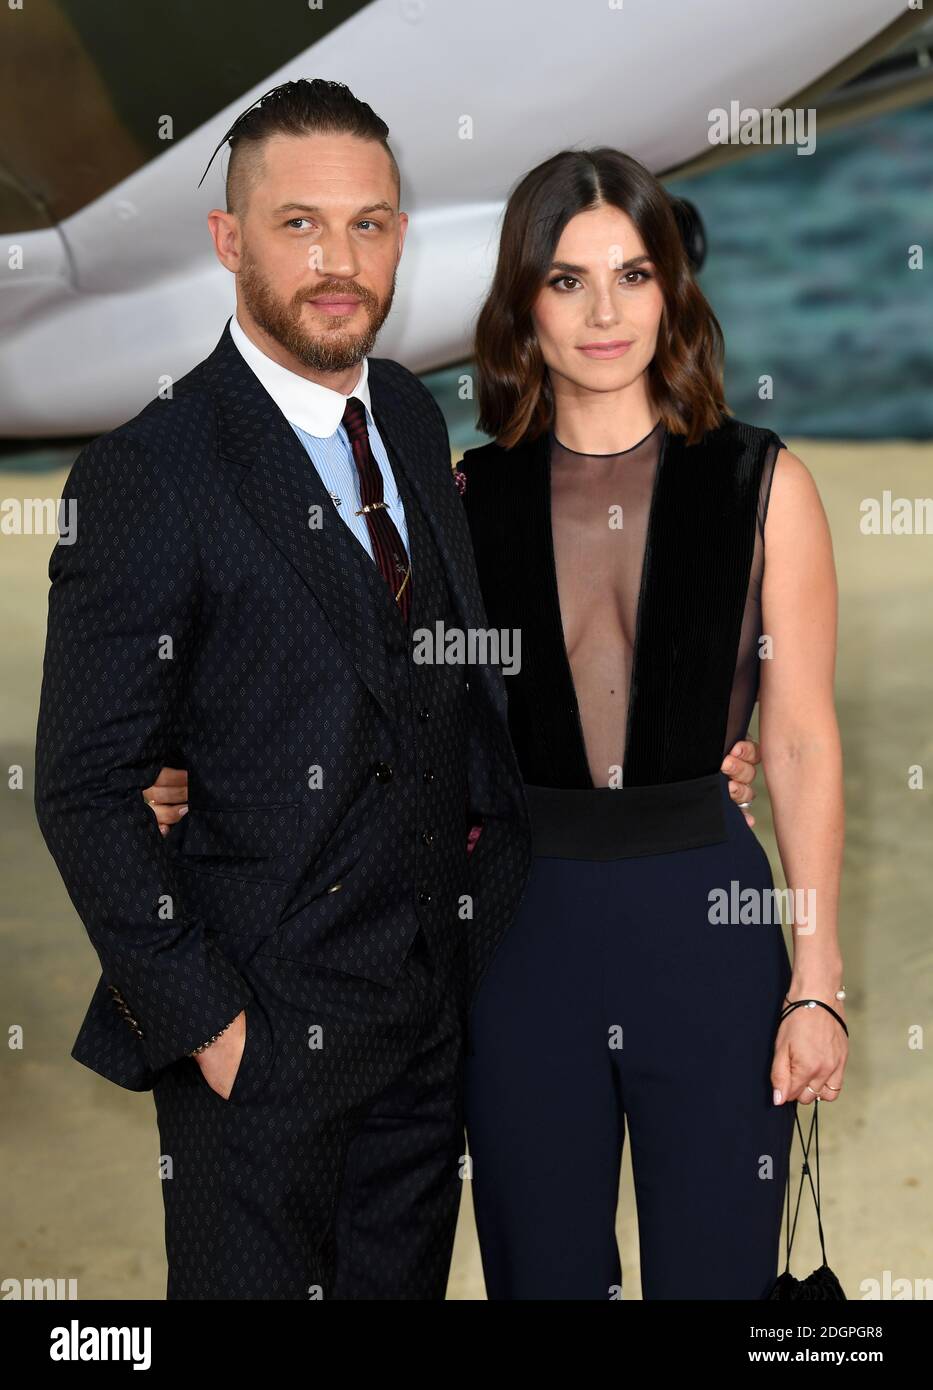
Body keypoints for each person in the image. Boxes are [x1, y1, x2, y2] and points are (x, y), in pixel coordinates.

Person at [48, 77, 761, 1300]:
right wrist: (211, 1027)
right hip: (261, 1051)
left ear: (400, 238)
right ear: (228, 240)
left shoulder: (411, 426)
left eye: (368, 224)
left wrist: (672, 767)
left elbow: (456, 689)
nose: (339, 262)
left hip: (428, 1045)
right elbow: (83, 785)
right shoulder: (148, 473)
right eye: (299, 224)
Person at [454, 147, 848, 1300]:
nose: (604, 313)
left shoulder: (764, 486)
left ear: (671, 289)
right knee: (543, 1281)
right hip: (521, 944)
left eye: (632, 275)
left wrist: (816, 977)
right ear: (524, 304)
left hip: (709, 931)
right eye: (567, 280)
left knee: (720, 1286)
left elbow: (800, 741)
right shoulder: (465, 500)